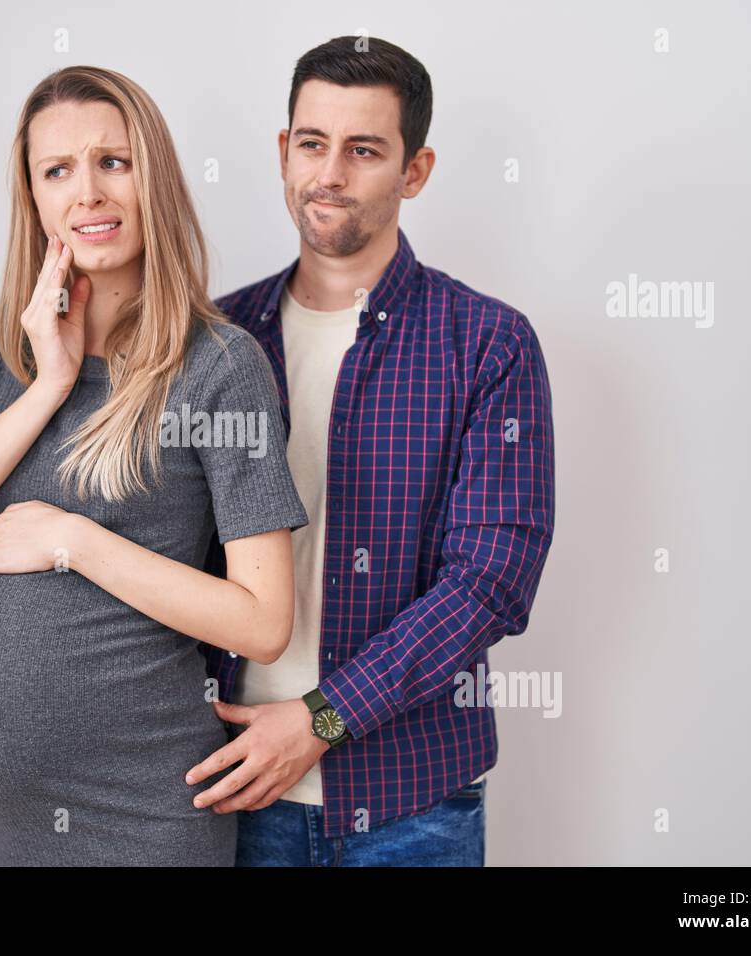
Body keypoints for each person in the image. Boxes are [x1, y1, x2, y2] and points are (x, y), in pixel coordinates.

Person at [0, 66, 308, 866]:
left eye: (115, 162)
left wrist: (71, 539)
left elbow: (263, 620)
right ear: (34, 199)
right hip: (13, 823)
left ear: (155, 179)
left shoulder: (223, 366)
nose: (90, 194)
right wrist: (49, 384)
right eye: (59, 171)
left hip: (142, 811)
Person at [184, 36, 556, 866]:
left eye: (364, 150)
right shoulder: (213, 341)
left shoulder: (488, 344)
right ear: (284, 152)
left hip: (413, 800)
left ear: (414, 170)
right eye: (312, 143)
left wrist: (322, 718)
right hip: (227, 785)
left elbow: (492, 582)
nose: (330, 174)